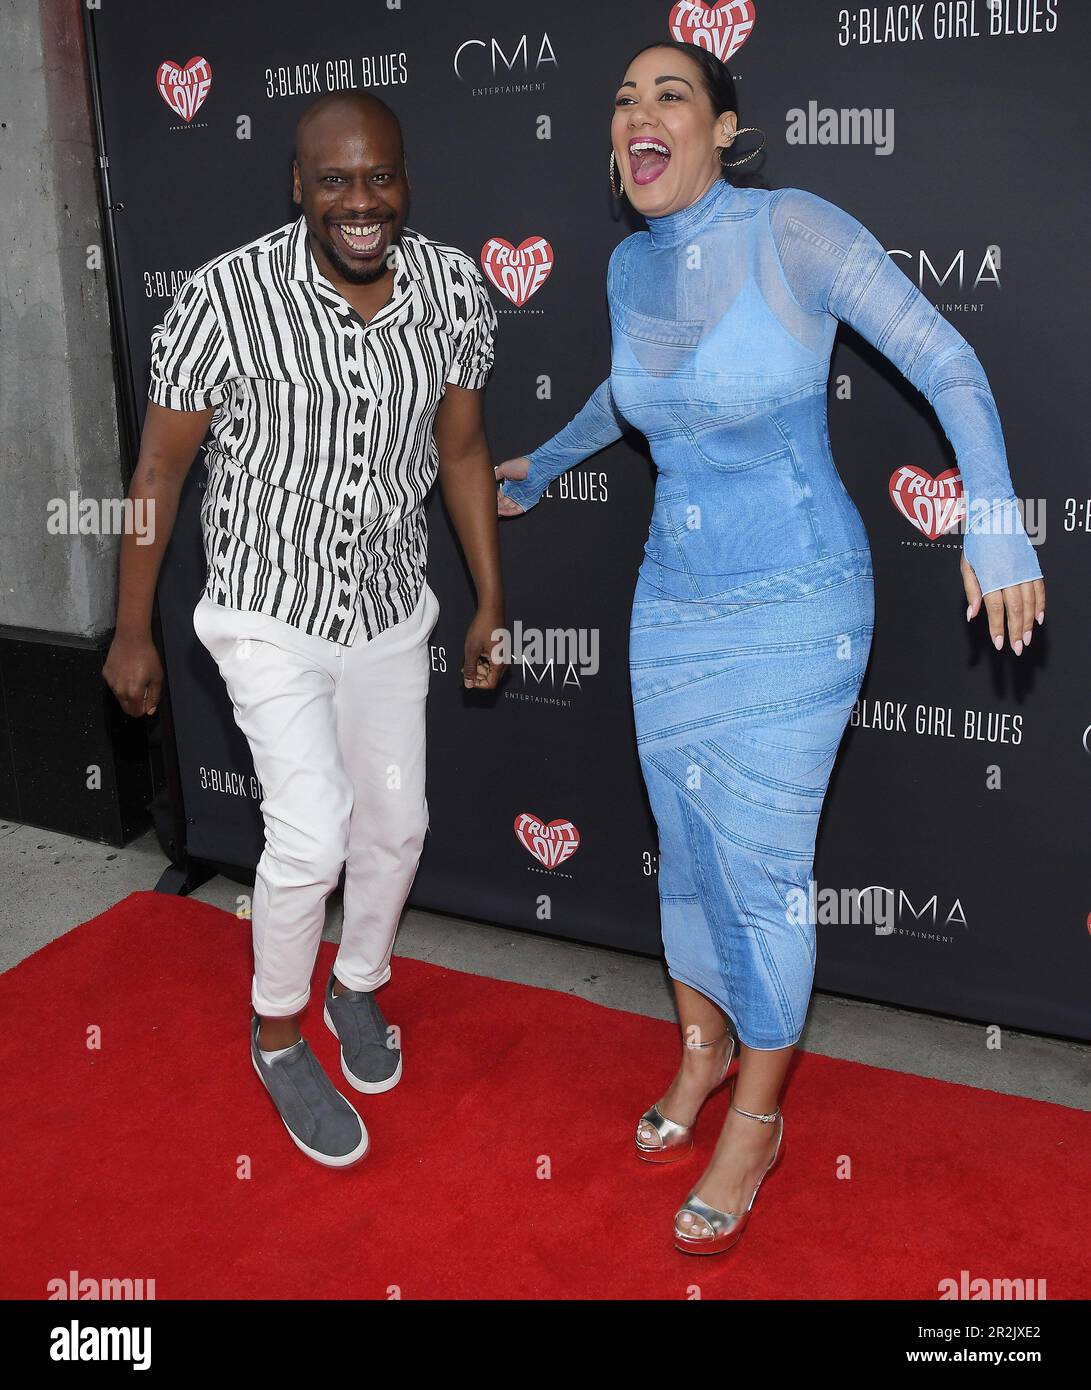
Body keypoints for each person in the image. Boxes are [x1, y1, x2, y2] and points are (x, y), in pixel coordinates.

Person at [496, 40, 1045, 1254]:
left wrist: (995, 518)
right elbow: (621, 394)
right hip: (670, 602)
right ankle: (696, 1056)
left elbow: (946, 363)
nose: (638, 113)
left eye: (668, 95)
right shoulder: (627, 267)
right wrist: (543, 462)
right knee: (685, 855)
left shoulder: (790, 228)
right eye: (622, 96)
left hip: (799, 604)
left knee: (759, 869)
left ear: (722, 129)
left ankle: (757, 1115)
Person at [103, 92, 506, 1168]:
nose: (359, 202)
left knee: (398, 824)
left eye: (379, 178)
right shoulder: (222, 299)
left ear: (405, 180)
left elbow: (461, 453)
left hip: (384, 603)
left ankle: (356, 985)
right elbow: (158, 472)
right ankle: (277, 1032)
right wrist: (130, 629)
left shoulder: (455, 290)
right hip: (265, 608)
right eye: (334, 181)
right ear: (298, 188)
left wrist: (489, 601)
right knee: (310, 831)